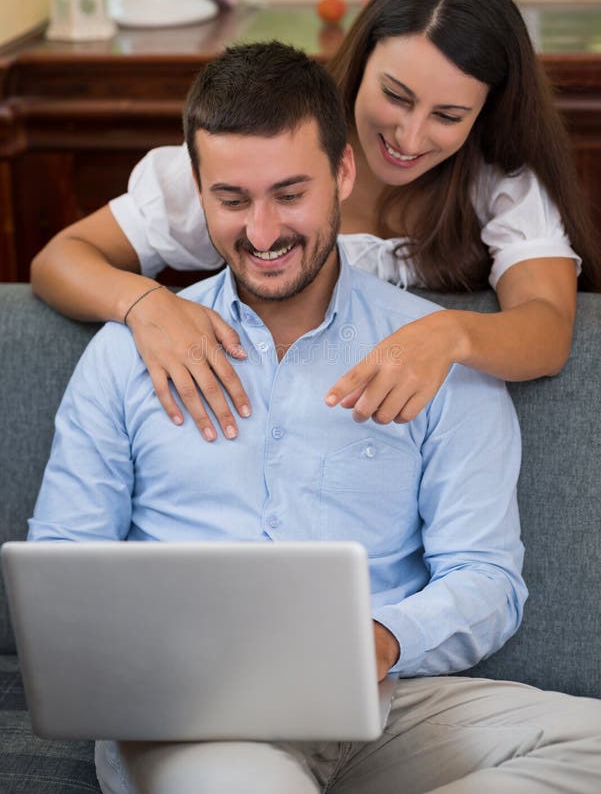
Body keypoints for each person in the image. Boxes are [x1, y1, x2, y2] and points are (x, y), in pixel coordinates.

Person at [29, 42, 601, 794]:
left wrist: (381, 641)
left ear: (341, 175)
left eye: (289, 194)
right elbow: (63, 568)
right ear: (197, 194)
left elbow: (487, 580)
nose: (263, 233)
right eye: (232, 200)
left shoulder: (435, 354)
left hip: (389, 703)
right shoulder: (126, 353)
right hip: (196, 720)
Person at [29, 0, 601, 444]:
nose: (409, 137)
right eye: (396, 96)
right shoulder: (257, 161)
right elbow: (59, 259)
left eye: (448, 116)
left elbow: (547, 330)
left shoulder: (497, 186)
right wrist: (148, 306)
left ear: (484, 113)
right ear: (361, 61)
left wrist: (449, 333)